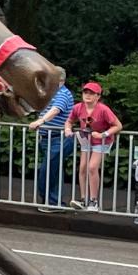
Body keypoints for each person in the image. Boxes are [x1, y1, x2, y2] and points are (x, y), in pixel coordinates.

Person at [63, 81, 120, 211]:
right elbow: (69, 121)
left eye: (91, 93)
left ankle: (93, 201)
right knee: (82, 167)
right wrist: (67, 129)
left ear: (98, 96)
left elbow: (118, 125)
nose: (87, 95)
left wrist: (103, 134)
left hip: (101, 140)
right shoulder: (78, 107)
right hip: (86, 139)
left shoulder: (103, 109)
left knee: (92, 167)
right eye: (85, 92)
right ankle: (83, 199)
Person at [27, 80, 76, 209]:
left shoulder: (63, 94)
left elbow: (56, 110)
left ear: (61, 80)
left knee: (47, 170)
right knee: (53, 170)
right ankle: (51, 201)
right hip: (48, 138)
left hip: (58, 139)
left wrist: (41, 121)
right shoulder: (51, 93)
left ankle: (54, 202)